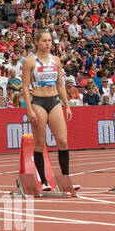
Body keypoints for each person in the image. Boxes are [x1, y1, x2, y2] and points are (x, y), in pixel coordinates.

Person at [20, 29, 73, 190]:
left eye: (50, 40)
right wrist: (29, 109)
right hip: (38, 101)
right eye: (44, 41)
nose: (48, 43)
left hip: (54, 100)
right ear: (36, 42)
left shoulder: (55, 60)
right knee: (40, 144)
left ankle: (65, 180)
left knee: (63, 141)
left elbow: (60, 84)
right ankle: (43, 181)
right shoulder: (30, 61)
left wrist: (67, 105)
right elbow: (25, 86)